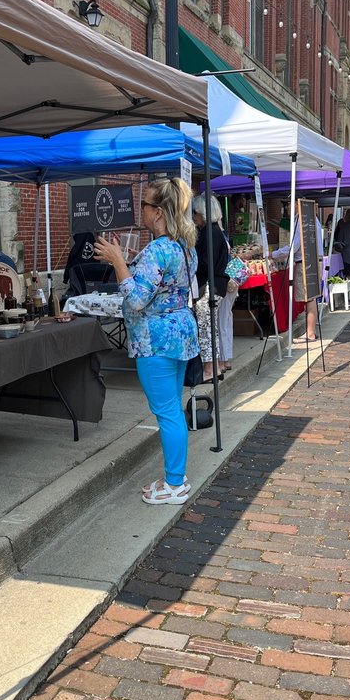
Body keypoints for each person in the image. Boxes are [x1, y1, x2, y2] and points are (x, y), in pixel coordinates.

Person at [94, 178, 198, 506]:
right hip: (179, 335)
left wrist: (119, 262)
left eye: (144, 205)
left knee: (167, 412)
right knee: (172, 411)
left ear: (157, 212)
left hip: (156, 341)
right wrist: (128, 264)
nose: (141, 211)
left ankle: (174, 484)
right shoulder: (183, 245)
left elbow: (138, 299)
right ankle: (176, 478)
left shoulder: (158, 249)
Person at [191, 195, 229, 380]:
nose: (193, 217)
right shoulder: (216, 231)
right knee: (210, 327)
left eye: (195, 213)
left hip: (209, 286)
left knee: (206, 328)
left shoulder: (209, 233)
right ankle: (215, 367)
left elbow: (205, 263)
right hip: (216, 285)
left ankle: (209, 369)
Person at [291, 210, 324, 344]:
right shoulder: (313, 219)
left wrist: (275, 254)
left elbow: (295, 245)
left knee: (309, 298)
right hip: (314, 260)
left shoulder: (302, 220)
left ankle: (310, 333)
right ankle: (311, 331)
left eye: (288, 204)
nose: (287, 208)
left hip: (306, 262)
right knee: (311, 297)